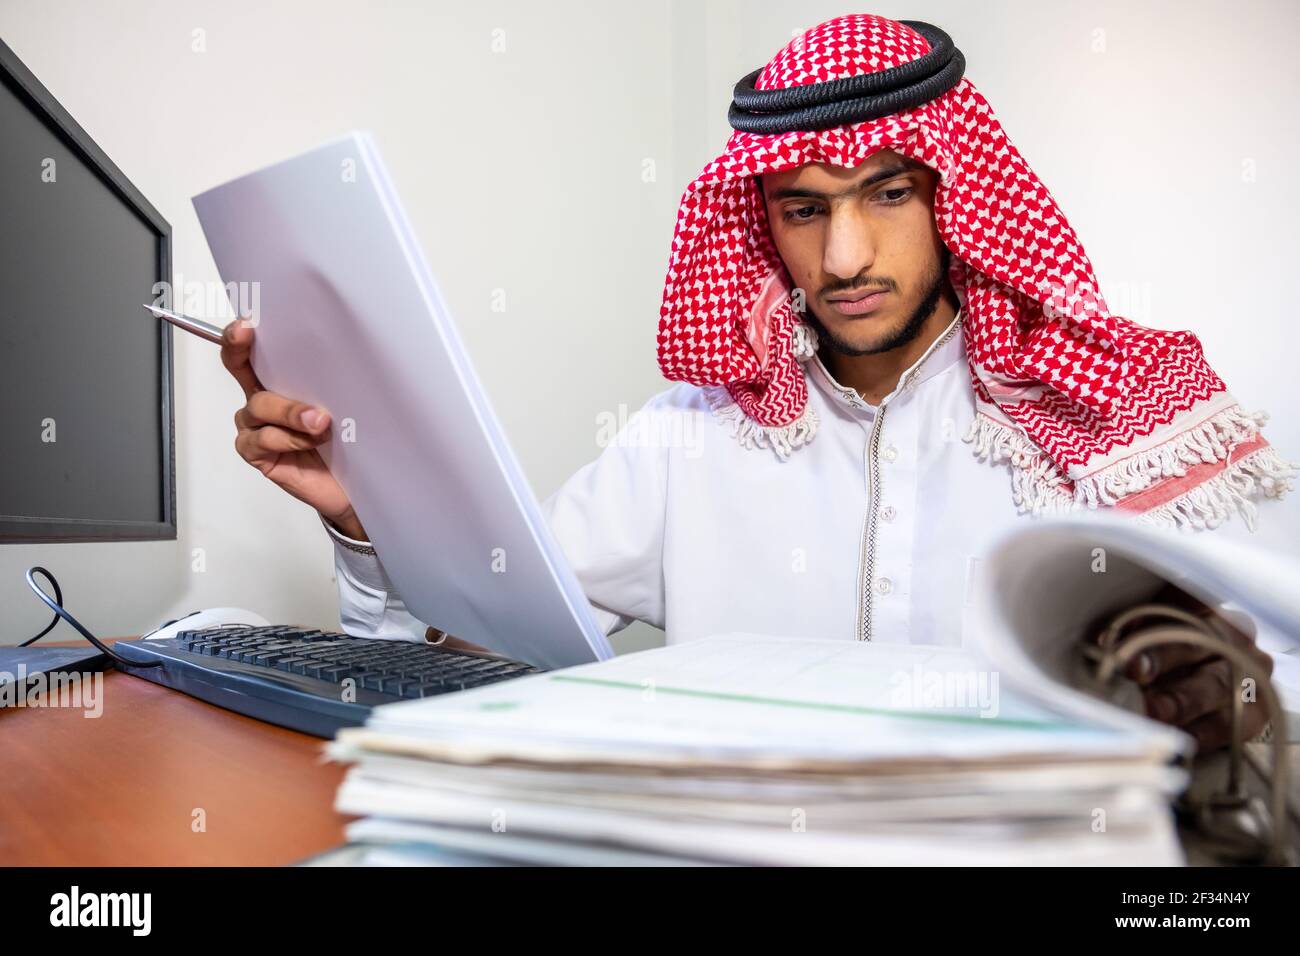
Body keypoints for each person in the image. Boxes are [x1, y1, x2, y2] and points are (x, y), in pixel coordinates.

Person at [220, 14, 1295, 749]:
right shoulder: (686, 438)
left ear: (956, 195)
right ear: (759, 220)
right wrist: (371, 524)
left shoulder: (1125, 415)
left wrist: (1239, 705)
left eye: (886, 194)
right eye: (804, 208)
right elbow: (461, 663)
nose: (844, 260)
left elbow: (1273, 687)